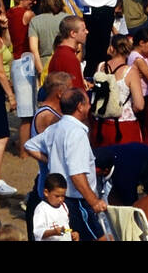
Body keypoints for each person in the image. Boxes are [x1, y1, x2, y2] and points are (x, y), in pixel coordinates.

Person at [23, 88, 109, 241]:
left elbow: (30, 145)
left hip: (62, 200)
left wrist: (52, 160)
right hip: (77, 201)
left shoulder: (55, 128)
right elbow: (77, 174)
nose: (89, 107)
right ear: (80, 106)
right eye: (87, 103)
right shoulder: (76, 133)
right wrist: (94, 201)